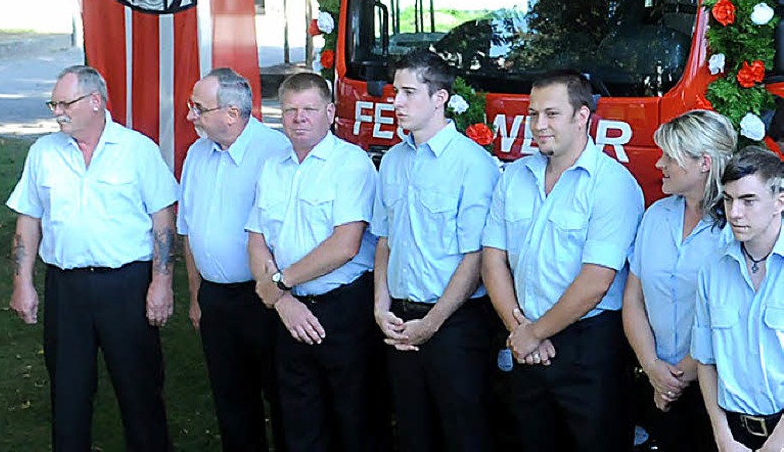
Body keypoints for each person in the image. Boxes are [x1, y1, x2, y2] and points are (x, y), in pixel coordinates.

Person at [7, 65, 176, 452]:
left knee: (140, 392)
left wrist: (162, 283)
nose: (57, 113)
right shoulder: (43, 153)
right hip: (66, 288)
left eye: (65, 104)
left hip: (126, 286)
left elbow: (163, 221)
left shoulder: (137, 150)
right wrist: (22, 282)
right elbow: (28, 220)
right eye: (53, 104)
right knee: (68, 396)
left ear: (96, 102)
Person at [481, 69, 643, 452]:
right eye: (533, 114)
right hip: (524, 339)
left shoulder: (612, 184)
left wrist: (534, 334)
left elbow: (596, 282)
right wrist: (520, 329)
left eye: (551, 114)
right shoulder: (514, 176)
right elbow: (492, 260)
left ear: (582, 116)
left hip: (588, 348)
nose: (539, 125)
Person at [246, 72, 382, 452]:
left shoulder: (351, 164)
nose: (299, 118)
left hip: (343, 310)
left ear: (330, 112)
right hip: (289, 311)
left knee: (354, 420)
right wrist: (283, 300)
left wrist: (279, 283)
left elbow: (345, 245)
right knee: (299, 421)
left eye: (309, 109)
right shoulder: (272, 166)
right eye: (290, 110)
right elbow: (256, 238)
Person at [373, 50, 500, 452]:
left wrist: (432, 323)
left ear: (440, 98)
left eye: (409, 92)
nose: (396, 102)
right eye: (395, 91)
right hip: (399, 320)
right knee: (413, 433)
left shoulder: (472, 164)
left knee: (464, 434)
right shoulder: (393, 161)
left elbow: (475, 257)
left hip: (455, 325)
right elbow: (385, 239)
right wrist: (381, 307)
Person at [178, 68, 291, 452]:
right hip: (215, 298)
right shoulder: (197, 153)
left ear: (231, 113)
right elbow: (189, 229)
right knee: (230, 399)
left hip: (265, 297)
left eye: (199, 108)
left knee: (283, 395)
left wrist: (280, 294)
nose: (190, 116)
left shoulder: (274, 151)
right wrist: (196, 295)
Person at [622, 110, 736, 452]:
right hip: (655, 381)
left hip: (715, 388)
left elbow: (729, 317)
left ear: (704, 163)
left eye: (670, 157)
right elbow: (634, 299)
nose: (660, 164)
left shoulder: (735, 228)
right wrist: (652, 368)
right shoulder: (656, 216)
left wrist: (676, 378)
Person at [693, 146, 784, 452]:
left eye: (748, 200)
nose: (734, 213)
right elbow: (705, 360)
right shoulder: (712, 269)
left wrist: (777, 443)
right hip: (733, 432)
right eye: (729, 199)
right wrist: (723, 437)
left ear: (779, 201)